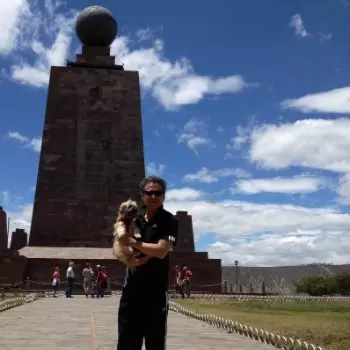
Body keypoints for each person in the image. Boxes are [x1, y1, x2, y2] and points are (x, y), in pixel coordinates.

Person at [117, 176, 178, 350]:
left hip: (155, 295)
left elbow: (161, 250)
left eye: (157, 193)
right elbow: (120, 244)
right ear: (142, 195)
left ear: (163, 196)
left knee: (155, 345)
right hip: (131, 293)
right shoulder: (134, 220)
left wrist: (135, 244)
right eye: (149, 193)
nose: (153, 196)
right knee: (126, 344)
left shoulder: (169, 220)